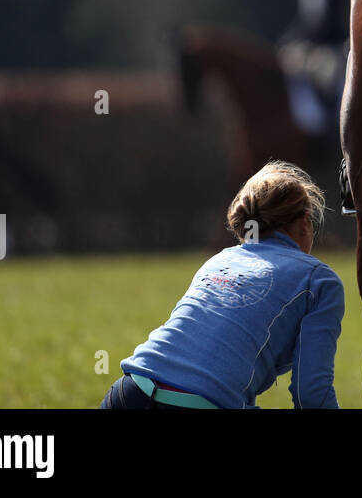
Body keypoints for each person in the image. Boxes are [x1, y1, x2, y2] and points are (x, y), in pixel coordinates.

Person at [100, 161, 344, 409]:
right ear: (304, 222)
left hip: (128, 392)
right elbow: (311, 395)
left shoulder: (219, 259)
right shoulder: (319, 279)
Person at [278, 0, 349, 140]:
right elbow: (303, 20)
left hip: (333, 46)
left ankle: (331, 129)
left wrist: (309, 42)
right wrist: (290, 40)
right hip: (312, 45)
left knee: (327, 77)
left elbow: (329, 22)